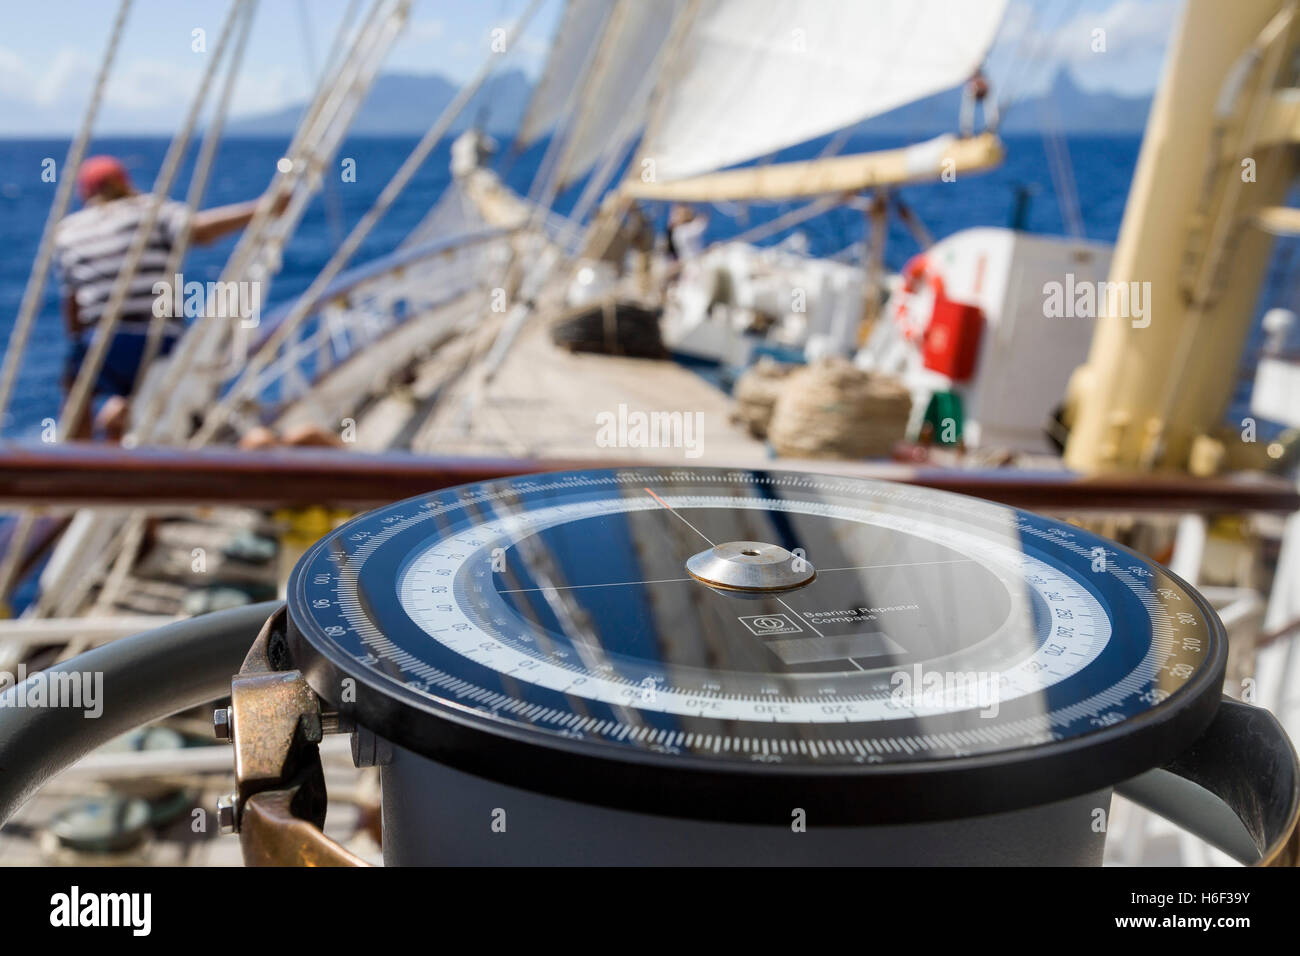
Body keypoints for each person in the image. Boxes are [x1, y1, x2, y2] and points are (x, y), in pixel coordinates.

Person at [53, 155, 282, 439]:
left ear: (85, 192)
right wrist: (263, 209)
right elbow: (199, 231)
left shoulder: (68, 231)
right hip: (158, 341)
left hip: (101, 346)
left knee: (76, 389)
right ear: (125, 183)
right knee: (157, 388)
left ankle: (78, 459)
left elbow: (73, 316)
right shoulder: (151, 210)